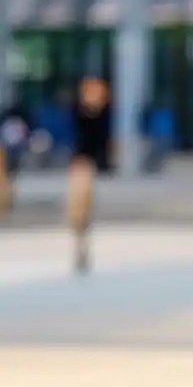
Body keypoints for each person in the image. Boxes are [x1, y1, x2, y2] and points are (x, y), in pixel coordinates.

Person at [69, 76, 111, 274]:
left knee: (85, 205)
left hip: (91, 165)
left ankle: (82, 240)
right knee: (78, 205)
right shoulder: (80, 113)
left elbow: (103, 140)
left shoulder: (104, 115)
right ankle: (80, 239)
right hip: (80, 163)